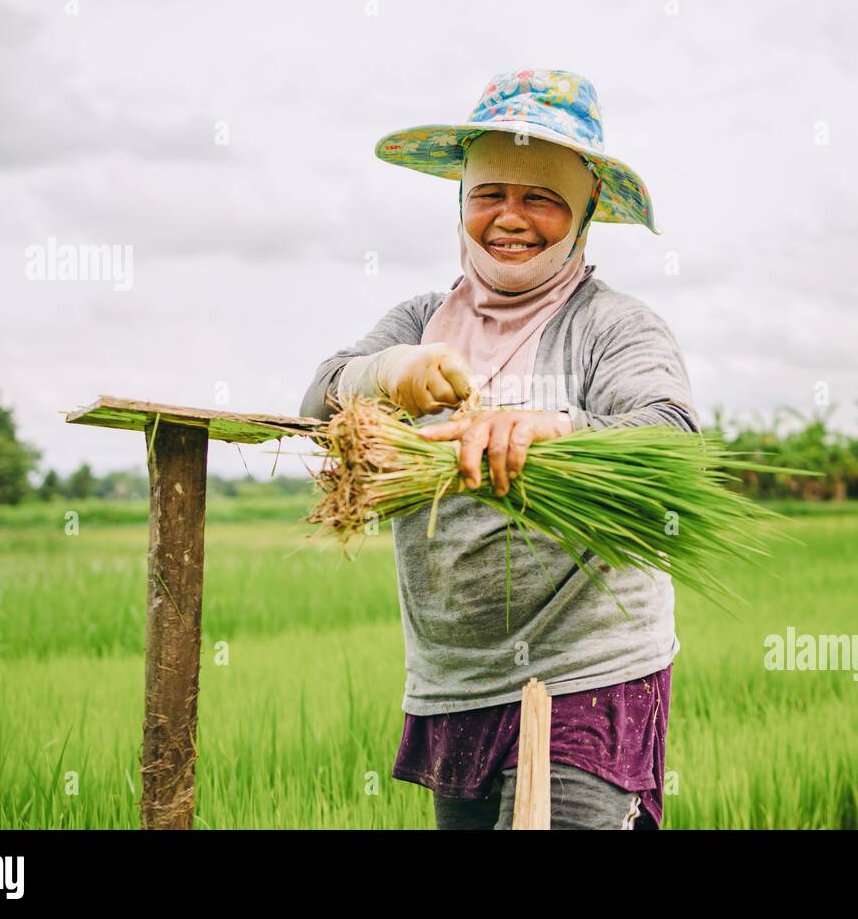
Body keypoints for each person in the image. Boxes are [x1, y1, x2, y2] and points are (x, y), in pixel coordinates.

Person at [300, 69, 700, 829]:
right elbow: (319, 396)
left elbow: (673, 441)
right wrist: (390, 372)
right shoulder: (420, 318)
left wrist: (555, 429)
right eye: (490, 194)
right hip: (454, 680)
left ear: (583, 218)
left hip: (587, 674)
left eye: (541, 198)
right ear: (461, 204)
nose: (510, 218)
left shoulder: (614, 326)